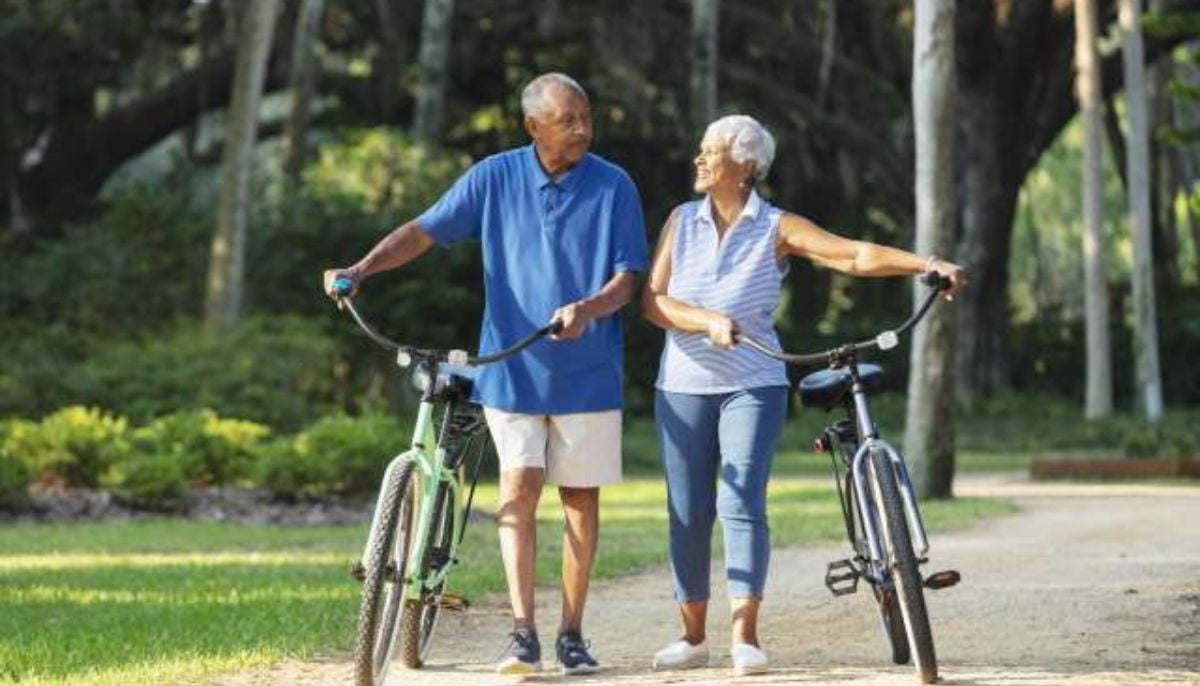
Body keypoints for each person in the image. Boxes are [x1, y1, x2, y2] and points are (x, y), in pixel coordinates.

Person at [323, 73, 649, 676]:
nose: (583, 128)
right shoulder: (494, 176)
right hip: (511, 367)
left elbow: (629, 279)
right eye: (568, 119)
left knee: (579, 500)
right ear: (534, 127)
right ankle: (522, 632)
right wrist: (362, 268)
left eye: (586, 117)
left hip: (589, 371)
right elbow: (423, 230)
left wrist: (589, 309)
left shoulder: (614, 185)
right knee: (518, 487)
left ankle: (571, 634)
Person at [640, 114, 966, 676]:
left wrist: (927, 264)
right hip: (682, 386)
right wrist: (704, 319)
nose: (698, 159)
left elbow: (851, 255)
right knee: (688, 513)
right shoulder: (681, 220)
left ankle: (746, 636)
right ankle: (692, 636)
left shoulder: (775, 226)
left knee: (740, 501)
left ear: (745, 167)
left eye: (710, 151)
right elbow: (653, 302)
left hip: (753, 383)